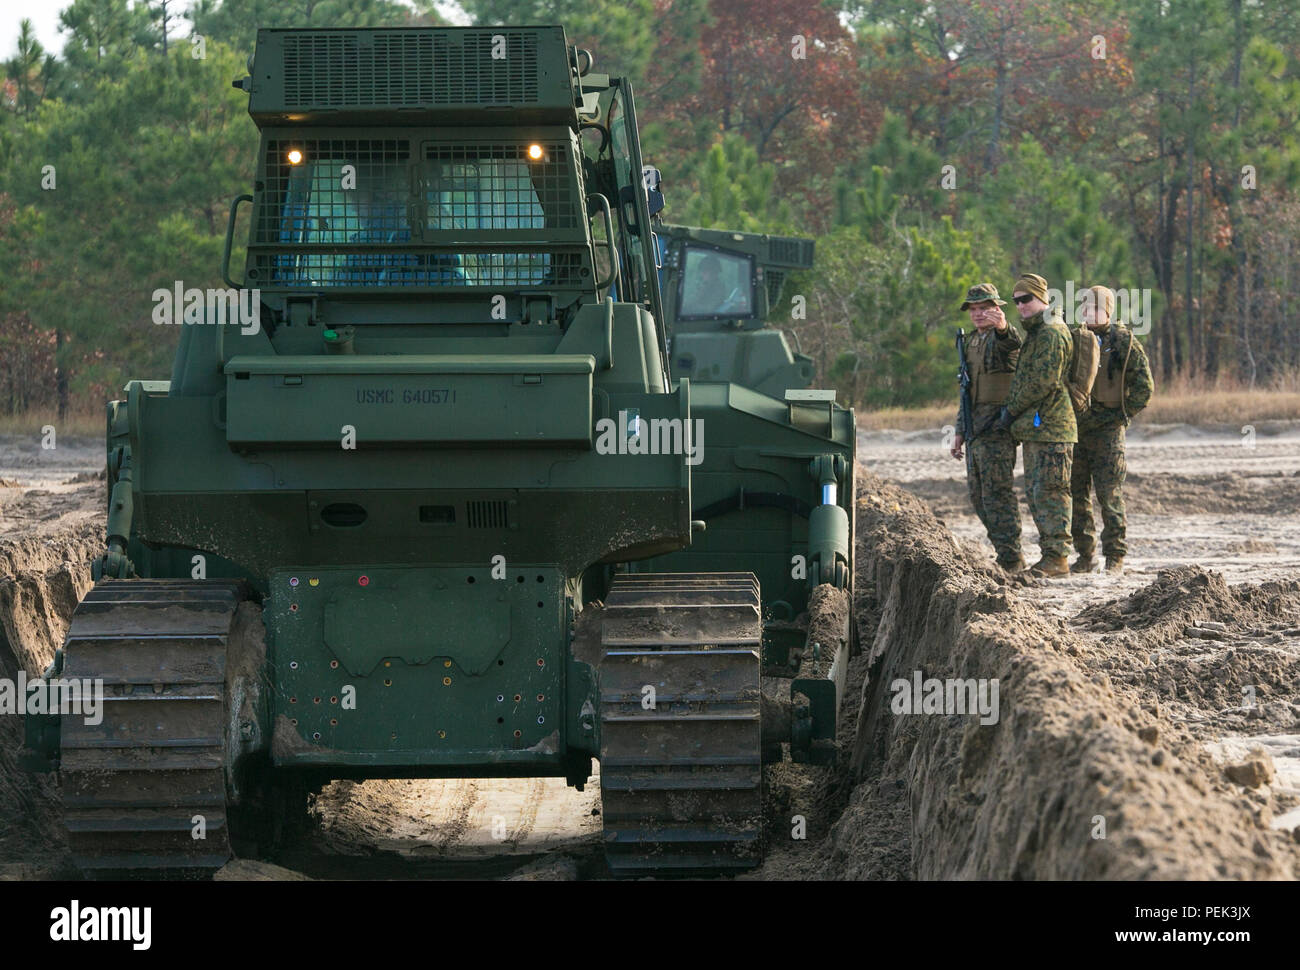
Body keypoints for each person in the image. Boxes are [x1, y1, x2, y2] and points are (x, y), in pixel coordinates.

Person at [995, 273, 1077, 578]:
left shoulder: (1052, 332)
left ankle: (1058, 558)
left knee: (1052, 492)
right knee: (1037, 491)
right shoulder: (1038, 332)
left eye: (1026, 299)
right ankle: (1052, 556)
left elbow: (1043, 381)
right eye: (1016, 300)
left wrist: (1011, 409)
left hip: (1053, 427)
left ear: (1043, 298)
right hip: (1039, 428)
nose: (1021, 305)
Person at [1070, 285, 1154, 574]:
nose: (1087, 313)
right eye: (1084, 307)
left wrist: (1121, 415)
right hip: (1077, 429)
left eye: (1093, 308)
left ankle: (1115, 556)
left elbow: (1144, 387)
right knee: (1076, 496)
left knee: (1109, 495)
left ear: (1107, 310)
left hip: (1107, 431)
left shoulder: (1123, 342)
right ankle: (1084, 555)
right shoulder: (1076, 339)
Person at [951, 283, 1024, 572]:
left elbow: (1011, 342)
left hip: (997, 428)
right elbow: (965, 392)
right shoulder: (970, 343)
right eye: (974, 309)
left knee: (998, 492)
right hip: (974, 429)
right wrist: (958, 431)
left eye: (984, 308)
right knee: (978, 494)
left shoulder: (1002, 337)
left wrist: (1004, 326)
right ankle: (1003, 549)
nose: (979, 314)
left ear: (997, 309)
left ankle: (1012, 555)